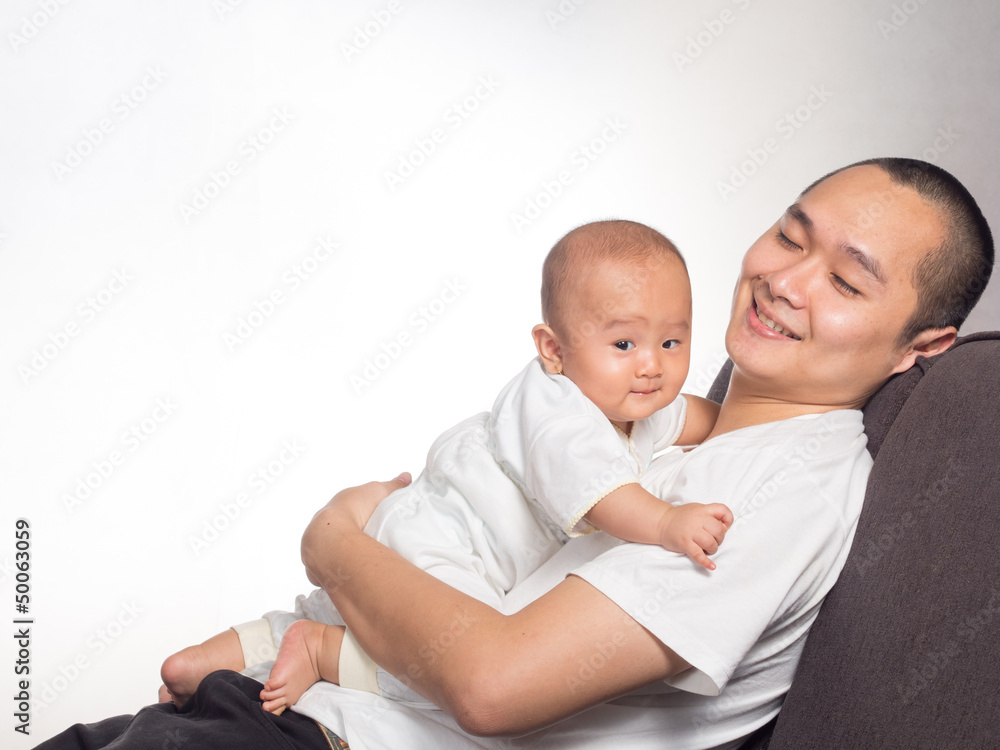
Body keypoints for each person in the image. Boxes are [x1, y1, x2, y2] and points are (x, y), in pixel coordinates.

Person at [34, 157, 994, 750]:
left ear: (923, 345)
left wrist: (333, 543)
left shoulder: (788, 492)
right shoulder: (666, 416)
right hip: (301, 709)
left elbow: (495, 687)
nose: (783, 280)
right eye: (790, 234)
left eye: (844, 280)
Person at [157, 220, 731, 714]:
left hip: (408, 530)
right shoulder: (558, 411)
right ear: (553, 350)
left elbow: (701, 419)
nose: (653, 366)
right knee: (453, 668)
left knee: (334, 603)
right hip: (447, 551)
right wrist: (665, 524)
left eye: (674, 342)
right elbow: (605, 496)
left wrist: (749, 421)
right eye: (625, 344)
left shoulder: (633, 402)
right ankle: (320, 652)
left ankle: (196, 666)